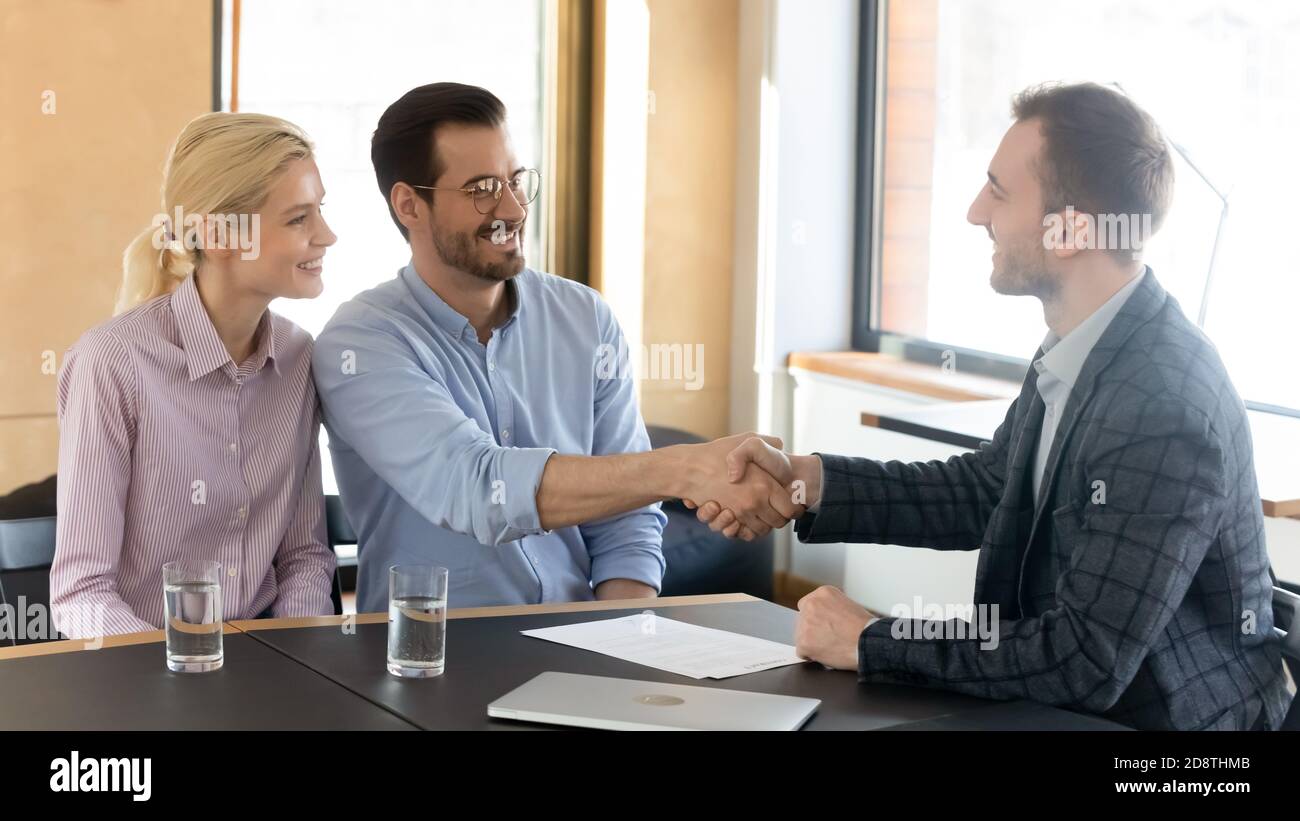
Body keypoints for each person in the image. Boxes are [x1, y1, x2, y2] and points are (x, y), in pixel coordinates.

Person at [698, 82, 1290, 731]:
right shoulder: (1082, 342)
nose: (976, 211)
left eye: (998, 191)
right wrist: (808, 481)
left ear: (1070, 230)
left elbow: (1083, 659)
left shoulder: (1163, 403)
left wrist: (872, 639)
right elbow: (989, 488)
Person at [313, 83, 799, 613]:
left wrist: (620, 638)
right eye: (481, 188)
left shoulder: (585, 317)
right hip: (432, 657)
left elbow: (628, 516)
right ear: (410, 205)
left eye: (516, 180)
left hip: (580, 639)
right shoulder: (360, 343)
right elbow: (477, 487)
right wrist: (680, 468)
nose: (513, 208)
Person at [51, 112, 337, 637]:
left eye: (320, 211)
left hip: (265, 676)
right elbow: (82, 592)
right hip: (139, 679)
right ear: (219, 233)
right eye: (298, 219)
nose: (327, 235)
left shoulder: (298, 358)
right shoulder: (110, 364)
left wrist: (305, 666)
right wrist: (179, 684)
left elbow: (303, 559)